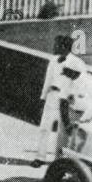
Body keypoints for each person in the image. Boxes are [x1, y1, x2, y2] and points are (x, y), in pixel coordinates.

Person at [36, 35, 76, 165]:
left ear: (64, 47)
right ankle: (40, 157)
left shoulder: (74, 63)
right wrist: (43, 98)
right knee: (44, 127)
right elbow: (48, 80)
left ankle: (58, 161)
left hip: (65, 99)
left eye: (57, 45)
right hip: (52, 97)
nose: (54, 47)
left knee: (61, 132)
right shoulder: (53, 61)